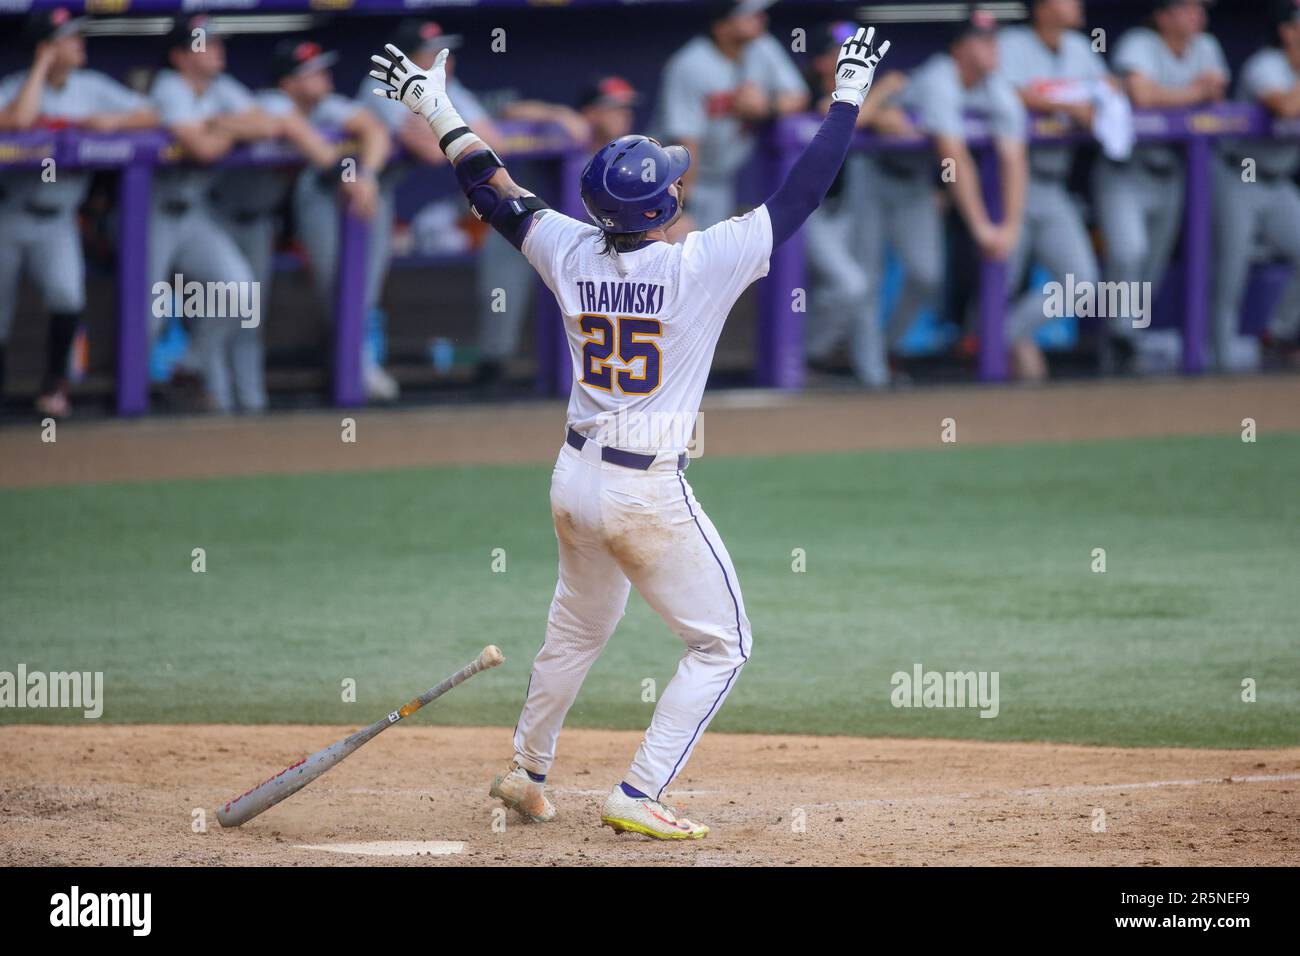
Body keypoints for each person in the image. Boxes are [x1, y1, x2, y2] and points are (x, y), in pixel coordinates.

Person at [371, 24, 891, 839]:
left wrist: (436, 105)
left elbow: (490, 186)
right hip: (645, 490)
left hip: (573, 479)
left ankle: (528, 770)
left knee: (574, 632)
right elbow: (802, 193)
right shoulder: (699, 264)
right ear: (665, 207)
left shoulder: (566, 248)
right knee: (724, 645)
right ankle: (641, 790)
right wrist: (848, 97)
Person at [0, 9, 157, 418]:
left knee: (68, 296)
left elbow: (152, 113)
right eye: (66, 38)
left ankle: (54, 388)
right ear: (45, 48)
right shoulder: (15, 88)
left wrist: (113, 121)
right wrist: (40, 68)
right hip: (10, 213)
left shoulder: (91, 87)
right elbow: (18, 119)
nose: (78, 43)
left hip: (59, 218)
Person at [360, 20, 505, 400]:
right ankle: (352, 373)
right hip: (348, 191)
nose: (443, 60)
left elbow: (495, 138)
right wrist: (454, 132)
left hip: (382, 191)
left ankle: (359, 369)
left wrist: (440, 128)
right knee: (358, 286)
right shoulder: (386, 82)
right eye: (428, 52)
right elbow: (428, 150)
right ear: (407, 59)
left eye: (443, 50)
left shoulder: (446, 86)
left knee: (365, 284)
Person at [148, 15, 283, 414]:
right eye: (203, 44)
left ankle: (187, 367)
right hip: (148, 213)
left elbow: (268, 124)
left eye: (215, 42)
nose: (216, 48)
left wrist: (220, 123)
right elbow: (202, 151)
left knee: (240, 290)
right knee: (146, 317)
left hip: (193, 215)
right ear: (178, 56)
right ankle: (131, 408)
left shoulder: (219, 88)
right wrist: (231, 130)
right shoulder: (168, 87)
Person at [473, 75, 641, 388]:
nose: (624, 115)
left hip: (585, 247)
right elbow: (509, 112)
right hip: (529, 233)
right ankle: (490, 373)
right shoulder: (563, 129)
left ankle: (593, 376)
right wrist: (557, 114)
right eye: (614, 108)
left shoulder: (632, 155)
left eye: (626, 108)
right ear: (590, 112)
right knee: (500, 297)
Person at [255, 38, 394, 403]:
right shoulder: (272, 102)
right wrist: (351, 180)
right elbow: (302, 136)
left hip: (264, 216)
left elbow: (374, 130)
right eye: (311, 73)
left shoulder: (325, 105)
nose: (322, 76)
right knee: (240, 307)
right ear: (289, 84)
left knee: (246, 309)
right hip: (224, 210)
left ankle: (353, 371)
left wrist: (368, 176)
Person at [898, 10, 1032, 375]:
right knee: (872, 276)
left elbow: (1012, 154)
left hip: (920, 184)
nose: (993, 48)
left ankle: (890, 353)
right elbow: (953, 155)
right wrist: (981, 227)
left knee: (929, 275)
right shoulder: (937, 78)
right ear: (959, 48)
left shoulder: (995, 84)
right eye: (982, 41)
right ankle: (861, 361)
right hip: (879, 175)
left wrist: (1011, 226)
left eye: (994, 40)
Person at [1098, 0, 1229, 363]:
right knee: (1129, 251)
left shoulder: (1207, 46)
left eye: (1198, 8)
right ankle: (1115, 338)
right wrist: (1194, 93)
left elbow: (1217, 91)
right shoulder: (1138, 42)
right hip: (1126, 169)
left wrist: (1173, 96)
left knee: (1151, 267)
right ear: (1163, 15)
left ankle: (1125, 343)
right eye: (1187, 8)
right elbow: (1141, 96)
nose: (1197, 15)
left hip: (1170, 172)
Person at [802, 21, 919, 388]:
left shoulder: (861, 102)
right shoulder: (803, 93)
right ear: (822, 61)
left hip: (845, 209)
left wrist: (880, 112)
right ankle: (807, 355)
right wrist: (882, 92)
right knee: (848, 286)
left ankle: (850, 362)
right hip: (804, 213)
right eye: (840, 51)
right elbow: (834, 114)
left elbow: (862, 115)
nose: (850, 58)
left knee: (856, 287)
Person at [998, 0, 1112, 376]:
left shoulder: (1080, 47)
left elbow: (1109, 91)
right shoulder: (1012, 43)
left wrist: (1091, 104)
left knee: (1082, 284)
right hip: (1009, 182)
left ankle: (1003, 338)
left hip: (1053, 184)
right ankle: (983, 358)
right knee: (1001, 282)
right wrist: (1064, 104)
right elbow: (1003, 92)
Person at [657, 0, 809, 232]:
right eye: (748, 15)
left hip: (722, 179)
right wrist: (681, 206)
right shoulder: (690, 64)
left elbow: (799, 96)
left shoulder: (763, 46)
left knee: (712, 260)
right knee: (680, 253)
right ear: (722, 27)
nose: (760, 19)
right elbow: (686, 145)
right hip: (672, 180)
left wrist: (766, 106)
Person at [1211, 0, 1300, 370]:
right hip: (1239, 175)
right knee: (1229, 274)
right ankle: (1218, 365)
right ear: (1287, 31)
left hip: (1278, 182)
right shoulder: (1265, 65)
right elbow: (1286, 107)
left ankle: (1277, 335)